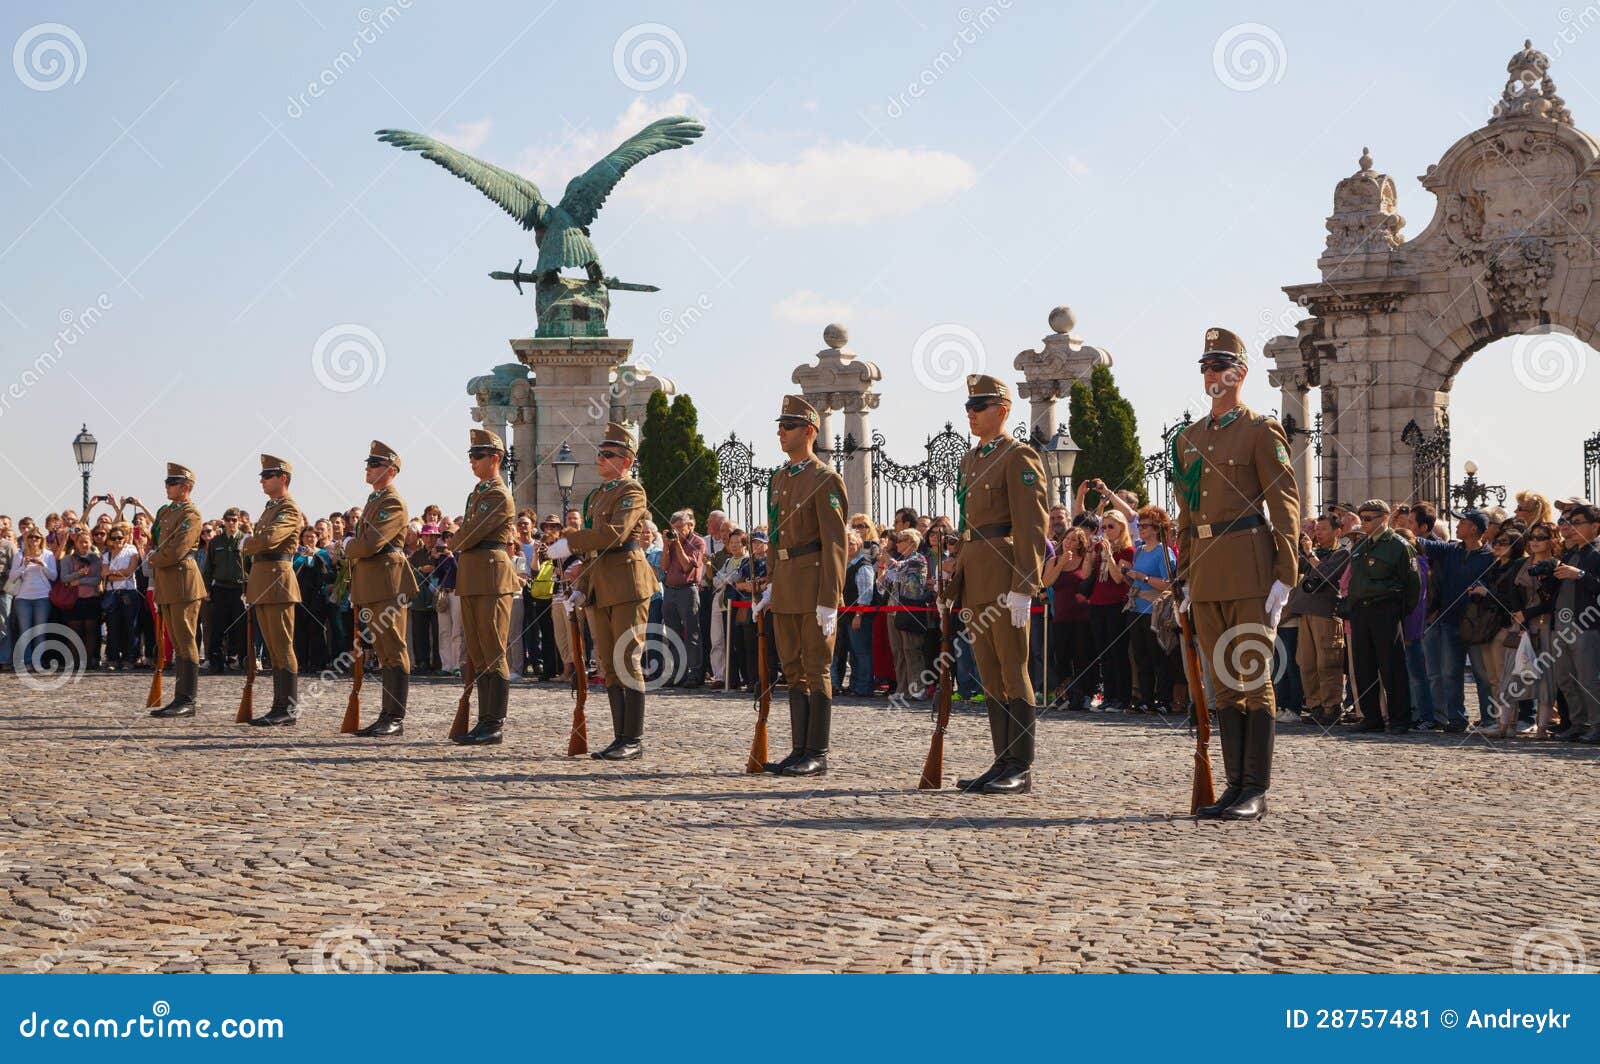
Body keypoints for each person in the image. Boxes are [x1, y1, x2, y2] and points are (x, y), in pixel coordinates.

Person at [1173, 327, 1299, 822]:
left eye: (1221, 366)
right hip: (1205, 568)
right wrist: (1183, 575)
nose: (1212, 375)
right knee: (1220, 683)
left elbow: (1284, 503)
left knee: (1250, 676)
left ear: (1240, 374)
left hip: (1249, 563)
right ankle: (1231, 785)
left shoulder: (1261, 430)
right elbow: (1186, 513)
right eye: (1206, 367)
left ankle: (1255, 788)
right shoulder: (1189, 439)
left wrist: (1284, 571)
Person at [940, 374, 1048, 795]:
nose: (971, 413)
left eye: (979, 406)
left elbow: (1032, 525)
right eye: (968, 406)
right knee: (989, 671)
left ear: (1002, 410)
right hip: (975, 577)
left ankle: (1020, 763)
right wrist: (954, 576)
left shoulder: (1018, 457)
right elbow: (970, 528)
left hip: (1005, 577)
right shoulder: (972, 460)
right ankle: (1001, 759)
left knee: (1012, 667)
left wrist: (1025, 583)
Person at [546, 423, 655, 760]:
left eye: (607, 454)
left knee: (627, 659)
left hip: (627, 582)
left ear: (625, 460)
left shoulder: (631, 491)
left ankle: (632, 739)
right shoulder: (597, 496)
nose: (600, 458)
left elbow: (614, 535)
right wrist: (581, 586)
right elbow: (596, 552)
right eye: (600, 452)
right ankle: (619, 736)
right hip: (602, 585)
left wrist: (570, 542)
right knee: (607, 663)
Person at [754, 395, 849, 777]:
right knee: (792, 668)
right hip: (788, 582)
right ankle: (798, 749)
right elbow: (776, 537)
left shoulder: (825, 478)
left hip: (813, 584)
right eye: (779, 425)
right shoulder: (780, 478)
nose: (781, 432)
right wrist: (772, 585)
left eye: (788, 426)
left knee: (816, 668)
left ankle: (817, 752)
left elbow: (835, 544)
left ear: (809, 431)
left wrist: (830, 598)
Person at [344, 441, 418, 737]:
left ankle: (395, 716)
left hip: (388, 581)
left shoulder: (391, 502)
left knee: (394, 649)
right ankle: (387, 713)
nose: (367, 468)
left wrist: (349, 545)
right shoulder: (376, 500)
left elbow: (372, 543)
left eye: (374, 464)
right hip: (374, 582)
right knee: (384, 651)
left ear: (390, 470)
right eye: (368, 464)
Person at [451, 430, 520, 745]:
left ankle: (495, 722)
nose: (471, 461)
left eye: (477, 456)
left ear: (495, 458)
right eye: (470, 455)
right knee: (477, 652)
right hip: (474, 573)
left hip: (491, 575)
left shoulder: (496, 494)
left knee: (493, 650)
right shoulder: (477, 492)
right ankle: (483, 719)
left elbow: (469, 534)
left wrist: (454, 537)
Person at [238, 455, 306, 726]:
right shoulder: (271, 507)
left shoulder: (288, 508)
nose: (262, 480)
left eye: (267, 476)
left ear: (283, 479)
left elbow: (270, 539)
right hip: (263, 580)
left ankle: (287, 708)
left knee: (282, 645)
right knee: (273, 647)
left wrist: (247, 542)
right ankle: (278, 705)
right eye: (262, 476)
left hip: (277, 579)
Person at [1416, 511, 1497, 731]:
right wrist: (1401, 529)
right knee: (1450, 672)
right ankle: (1457, 718)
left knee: (1483, 675)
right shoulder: (1450, 549)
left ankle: (1490, 719)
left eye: (1463, 523)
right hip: (1450, 621)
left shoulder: (1490, 557)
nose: (1458, 525)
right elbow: (1421, 543)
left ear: (1474, 529)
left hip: (1479, 624)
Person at [1344, 500, 1419, 734]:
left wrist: (1399, 611)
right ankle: (1371, 717)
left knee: (1392, 667)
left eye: (1368, 519)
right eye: (1362, 518)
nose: (1363, 523)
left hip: (1385, 610)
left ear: (1384, 518)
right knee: (1364, 667)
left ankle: (1399, 719)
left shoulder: (1398, 546)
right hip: (1360, 612)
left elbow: (1413, 584)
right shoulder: (1360, 546)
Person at [147, 462, 207, 717]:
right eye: (166, 482)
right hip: (167, 581)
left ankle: (187, 699)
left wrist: (152, 558)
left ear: (186, 487)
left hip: (183, 580)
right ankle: (179, 697)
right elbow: (158, 540)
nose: (166, 486)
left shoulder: (190, 513)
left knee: (185, 640)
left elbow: (178, 549)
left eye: (172, 483)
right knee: (175, 639)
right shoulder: (166, 512)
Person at [1469, 521, 1529, 738]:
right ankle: (1499, 720)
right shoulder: (1494, 566)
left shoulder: (1519, 567)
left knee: (1505, 677)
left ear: (1516, 545)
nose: (1497, 546)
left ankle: (1509, 722)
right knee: (1493, 678)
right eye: (1496, 542)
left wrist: (1488, 594)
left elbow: (1515, 600)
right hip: (1489, 626)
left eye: (1504, 543)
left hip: (1505, 625)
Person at [1288, 515, 1349, 727]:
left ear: (1337, 532)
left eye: (1323, 529)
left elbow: (1325, 574)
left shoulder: (1341, 553)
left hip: (1326, 615)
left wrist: (1310, 553)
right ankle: (1316, 706)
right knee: (1306, 662)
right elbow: (1296, 567)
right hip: (1306, 613)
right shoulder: (1316, 553)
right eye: (1317, 529)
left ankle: (1332, 706)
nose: (1319, 533)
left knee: (1327, 662)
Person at [1548, 503, 1600, 743]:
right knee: (1566, 679)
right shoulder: (1570, 552)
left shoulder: (1596, 552)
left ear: (1595, 526)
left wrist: (1578, 574)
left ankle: (1596, 724)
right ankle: (1578, 724)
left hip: (1587, 625)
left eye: (1578, 522)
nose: (1571, 527)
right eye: (1570, 522)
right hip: (1562, 624)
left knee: (1588, 679)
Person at [1125, 506, 1178, 713]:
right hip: (1136, 608)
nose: (1140, 529)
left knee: (1158, 656)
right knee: (1140, 656)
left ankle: (1163, 700)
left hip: (1154, 611)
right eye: (1139, 525)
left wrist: (1144, 578)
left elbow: (1168, 584)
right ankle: (1145, 698)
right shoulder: (1139, 550)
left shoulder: (1163, 552)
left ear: (1156, 529)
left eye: (1144, 525)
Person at [1085, 508, 1136, 713]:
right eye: (1103, 526)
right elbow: (1086, 574)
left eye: (1110, 526)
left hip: (1116, 604)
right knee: (1104, 653)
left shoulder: (1127, 551)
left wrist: (1109, 556)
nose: (1106, 530)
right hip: (1097, 604)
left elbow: (1118, 578)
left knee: (1118, 653)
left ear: (1121, 527)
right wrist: (1090, 555)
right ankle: (1108, 696)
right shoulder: (1099, 548)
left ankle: (1121, 697)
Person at [881, 528, 930, 699]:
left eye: (901, 540)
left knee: (911, 649)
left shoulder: (918, 559)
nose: (897, 543)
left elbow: (900, 571)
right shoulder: (899, 559)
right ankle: (902, 689)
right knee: (898, 651)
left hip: (910, 609)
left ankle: (918, 688)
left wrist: (884, 553)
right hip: (893, 609)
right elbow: (886, 583)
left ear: (911, 542)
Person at [659, 509, 707, 686]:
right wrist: (666, 546)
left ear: (690, 526)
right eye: (674, 528)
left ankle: (694, 673)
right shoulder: (670, 542)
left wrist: (677, 544)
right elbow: (663, 567)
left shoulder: (698, 542)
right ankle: (677, 673)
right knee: (672, 634)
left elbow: (687, 567)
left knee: (692, 633)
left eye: (680, 527)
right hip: (670, 590)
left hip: (688, 590)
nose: (677, 531)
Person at [5, 528, 56, 673]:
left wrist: (42, 564)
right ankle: (26, 662)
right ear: (26, 539)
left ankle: (38, 662)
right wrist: (23, 566)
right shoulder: (19, 554)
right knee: (25, 631)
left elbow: (53, 576)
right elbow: (12, 577)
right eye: (31, 537)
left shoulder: (48, 554)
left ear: (42, 539)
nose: (34, 540)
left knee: (40, 631)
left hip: (42, 596)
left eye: (37, 537)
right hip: (23, 597)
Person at [202, 508, 247, 673]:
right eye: (228, 520)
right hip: (220, 588)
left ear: (239, 521)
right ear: (224, 521)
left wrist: (249, 588)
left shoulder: (245, 540)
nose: (231, 523)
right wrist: (206, 588)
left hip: (239, 590)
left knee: (240, 627)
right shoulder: (216, 542)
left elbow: (250, 565)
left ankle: (238, 660)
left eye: (234, 520)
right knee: (217, 627)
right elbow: (209, 567)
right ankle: (216, 662)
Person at [59, 526, 103, 672]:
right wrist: (78, 573)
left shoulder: (96, 559)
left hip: (91, 598)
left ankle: (88, 661)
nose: (84, 545)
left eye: (86, 542)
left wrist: (80, 581)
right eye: (81, 542)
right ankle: (74, 662)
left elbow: (96, 579)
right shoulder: (67, 559)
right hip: (74, 599)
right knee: (74, 630)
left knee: (90, 630)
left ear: (91, 542)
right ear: (76, 543)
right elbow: (64, 578)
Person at [101, 522, 142, 671]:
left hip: (129, 592)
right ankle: (113, 659)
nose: (117, 541)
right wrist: (120, 574)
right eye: (114, 538)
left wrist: (114, 574)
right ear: (109, 539)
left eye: (120, 538)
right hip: (112, 593)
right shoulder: (107, 555)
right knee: (112, 627)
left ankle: (129, 659)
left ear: (124, 538)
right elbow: (104, 575)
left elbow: (130, 571)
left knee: (131, 627)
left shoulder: (131, 550)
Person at [292, 526, 333, 674]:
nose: (309, 539)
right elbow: (292, 571)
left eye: (312, 536)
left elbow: (326, 572)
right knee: (300, 630)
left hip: (317, 597)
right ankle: (302, 662)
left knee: (316, 630)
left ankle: (318, 662)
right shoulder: (296, 555)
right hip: (299, 596)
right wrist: (304, 556)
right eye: (306, 536)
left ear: (317, 538)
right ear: (302, 538)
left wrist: (314, 556)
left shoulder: (323, 553)